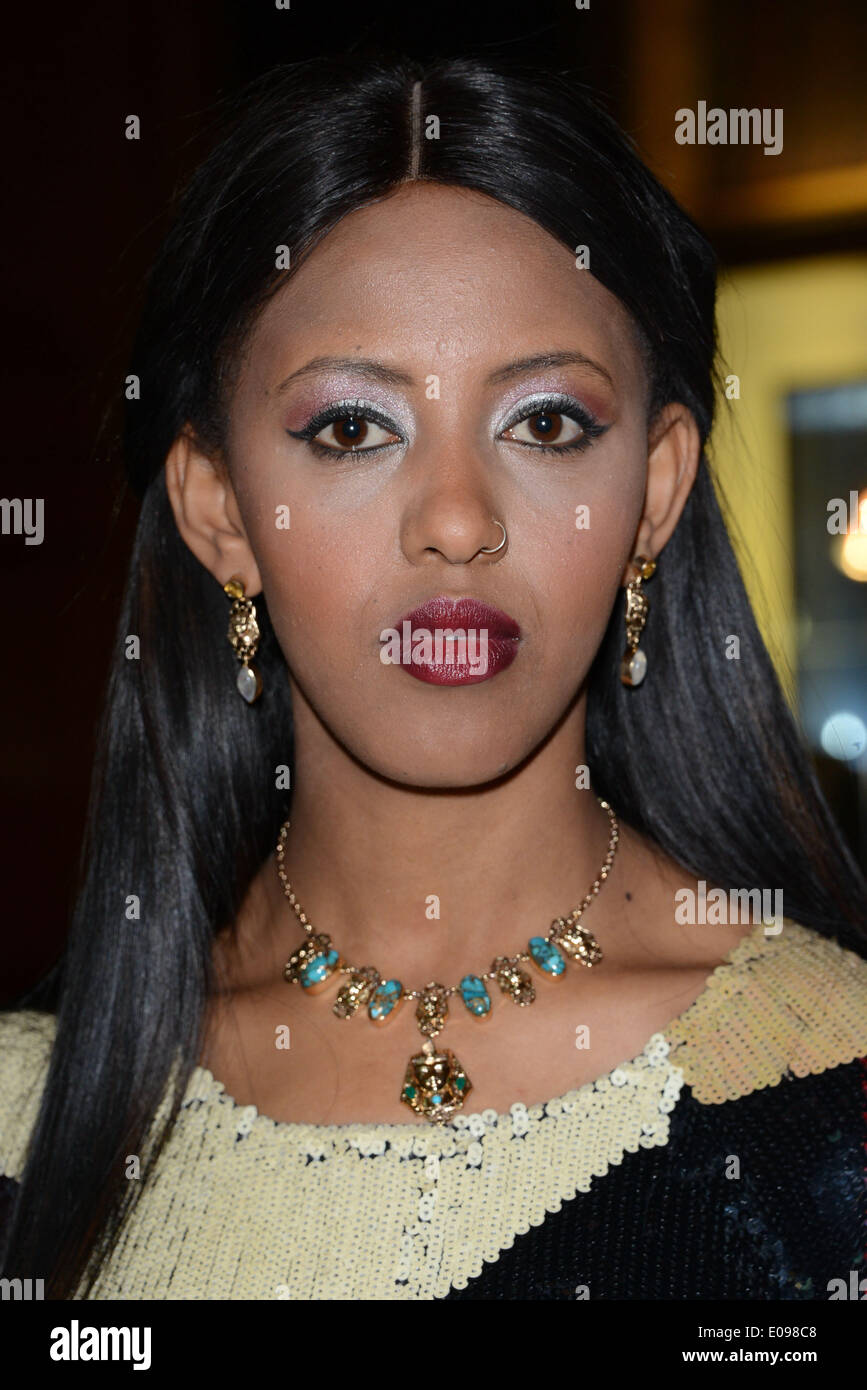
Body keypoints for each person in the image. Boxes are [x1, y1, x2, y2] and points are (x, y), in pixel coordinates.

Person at [1, 52, 865, 1302]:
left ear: (655, 492)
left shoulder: (821, 1112)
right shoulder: (31, 1129)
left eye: (547, 424)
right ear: (219, 508)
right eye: (352, 427)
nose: (456, 521)